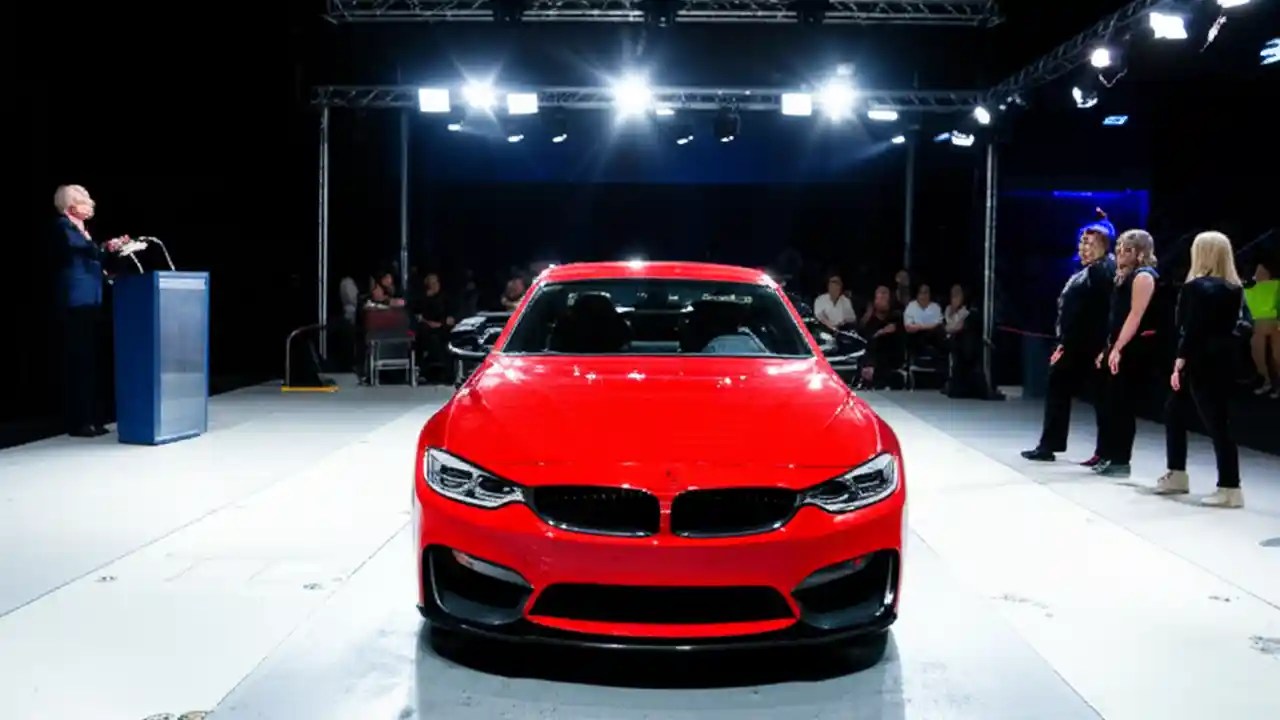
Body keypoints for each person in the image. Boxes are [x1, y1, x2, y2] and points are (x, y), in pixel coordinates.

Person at [1153, 232, 1245, 507]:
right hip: (1223, 359)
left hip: (1198, 360)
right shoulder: (1234, 288)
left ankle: (1229, 486)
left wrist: (1180, 361)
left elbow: (1190, 328)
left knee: (1213, 422)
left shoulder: (1195, 288)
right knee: (1182, 413)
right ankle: (1178, 473)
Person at [1022, 222, 1116, 464]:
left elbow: (1104, 313)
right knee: (1059, 390)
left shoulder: (1103, 270)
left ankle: (1104, 451)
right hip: (1074, 343)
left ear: (1104, 246)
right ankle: (1049, 445)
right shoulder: (1087, 271)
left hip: (1088, 345)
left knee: (1099, 397)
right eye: (1082, 243)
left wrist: (1102, 345)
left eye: (1090, 244)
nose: (1084, 248)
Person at [52, 185, 127, 438]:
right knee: (79, 363)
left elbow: (94, 256)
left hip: (92, 299)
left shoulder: (81, 230)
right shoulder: (63, 226)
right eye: (85, 201)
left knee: (91, 362)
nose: (90, 205)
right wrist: (107, 247)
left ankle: (93, 418)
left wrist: (108, 251)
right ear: (71, 205)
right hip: (77, 301)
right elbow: (85, 251)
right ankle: (79, 421)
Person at [1093, 229, 1160, 478]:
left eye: (1127, 249)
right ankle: (1110, 454)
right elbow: (1116, 316)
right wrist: (1109, 347)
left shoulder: (1143, 277)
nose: (1120, 252)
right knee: (1111, 403)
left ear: (1140, 252)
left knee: (1122, 403)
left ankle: (1121, 459)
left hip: (1134, 348)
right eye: (1119, 247)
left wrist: (1119, 347)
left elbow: (1135, 315)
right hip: (1118, 344)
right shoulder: (1124, 276)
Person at [1245, 260, 1279, 398]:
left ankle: (1276, 386)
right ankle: (1267, 382)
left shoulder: (1276, 285)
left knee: (1276, 357)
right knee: (1259, 356)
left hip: (1274, 324)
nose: (1259, 274)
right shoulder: (1250, 288)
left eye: (1262, 271)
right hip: (1258, 327)